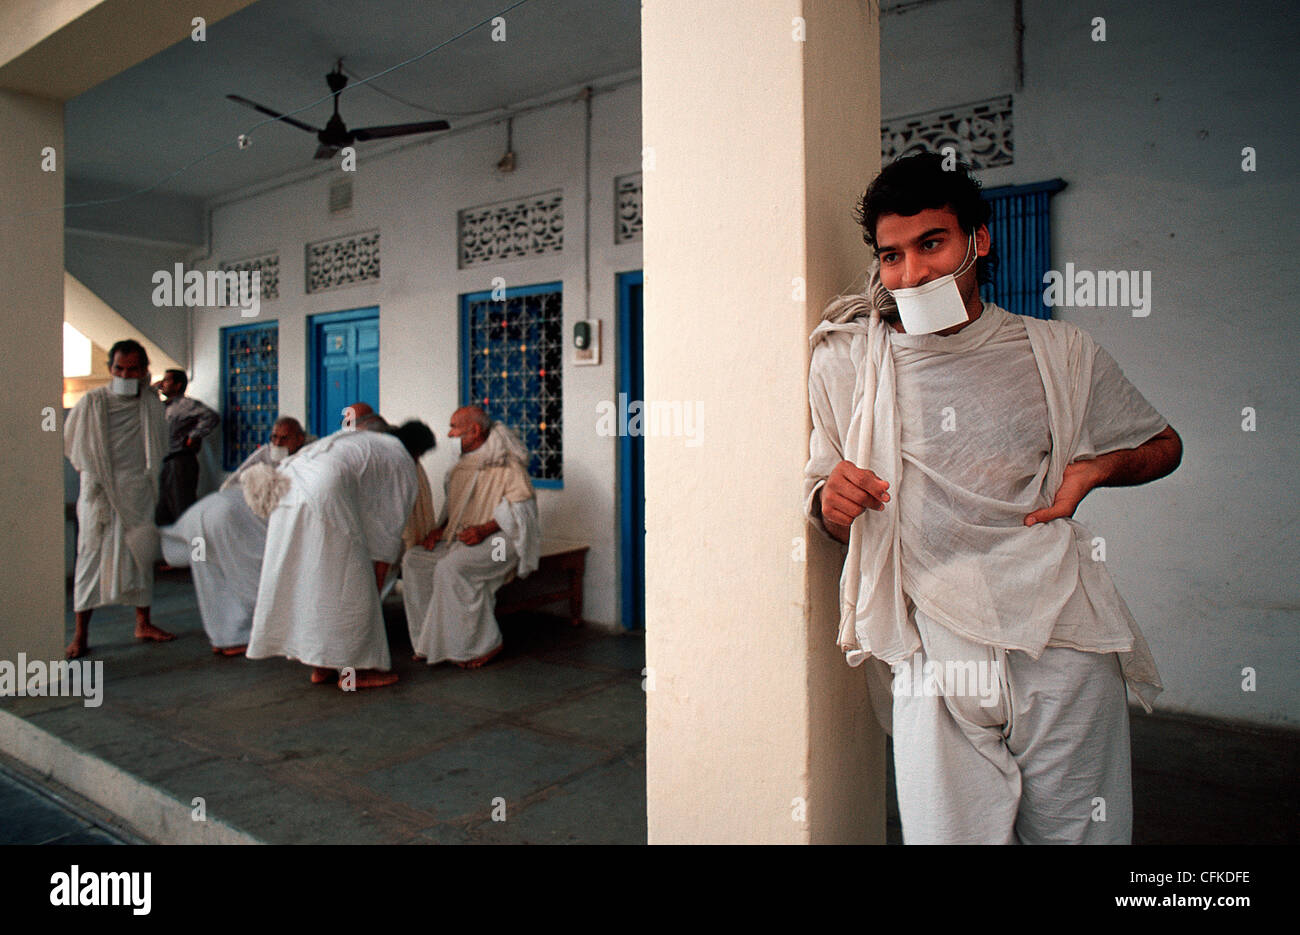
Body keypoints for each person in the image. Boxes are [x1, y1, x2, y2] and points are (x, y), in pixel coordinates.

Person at [804, 152, 1182, 845]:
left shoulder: (1060, 351)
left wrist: (1095, 470)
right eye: (891, 256)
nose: (912, 273)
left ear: (979, 239)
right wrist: (829, 503)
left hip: (1061, 637)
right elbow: (825, 492)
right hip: (930, 647)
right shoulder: (849, 363)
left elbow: (1164, 443)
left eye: (931, 244)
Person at [245, 420, 428, 689]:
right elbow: (389, 529)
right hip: (320, 493)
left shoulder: (359, 440)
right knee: (351, 588)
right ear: (417, 452)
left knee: (311, 581)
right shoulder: (401, 459)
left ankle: (322, 665)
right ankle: (354, 673)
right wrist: (374, 587)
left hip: (286, 486)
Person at [402, 406, 540, 669]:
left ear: (474, 431)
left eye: (455, 427)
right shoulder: (461, 467)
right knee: (414, 560)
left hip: (502, 542)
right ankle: (429, 643)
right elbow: (453, 509)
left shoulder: (507, 465)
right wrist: (438, 531)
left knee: (452, 567)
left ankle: (483, 644)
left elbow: (522, 513)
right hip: (463, 538)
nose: (450, 433)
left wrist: (484, 530)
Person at [64, 339, 176, 658]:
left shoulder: (151, 403)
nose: (125, 376)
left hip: (137, 489)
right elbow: (73, 444)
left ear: (144, 370)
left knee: (139, 552)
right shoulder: (92, 402)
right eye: (119, 369)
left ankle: (143, 622)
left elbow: (159, 447)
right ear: (109, 369)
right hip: (98, 493)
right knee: (89, 557)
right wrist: (97, 476)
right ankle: (80, 634)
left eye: (133, 370)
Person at [154, 369, 219, 525]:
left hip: (180, 461)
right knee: (162, 509)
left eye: (167, 380)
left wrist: (193, 435)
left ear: (177, 385)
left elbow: (211, 417)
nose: (163, 383)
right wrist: (151, 390)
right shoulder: (161, 406)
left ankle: (191, 545)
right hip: (163, 462)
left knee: (181, 506)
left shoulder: (186, 405)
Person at [219, 416, 310, 491]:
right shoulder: (266, 451)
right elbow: (233, 480)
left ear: (299, 440)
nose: (278, 443)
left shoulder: (311, 452)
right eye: (274, 437)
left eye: (284, 438)